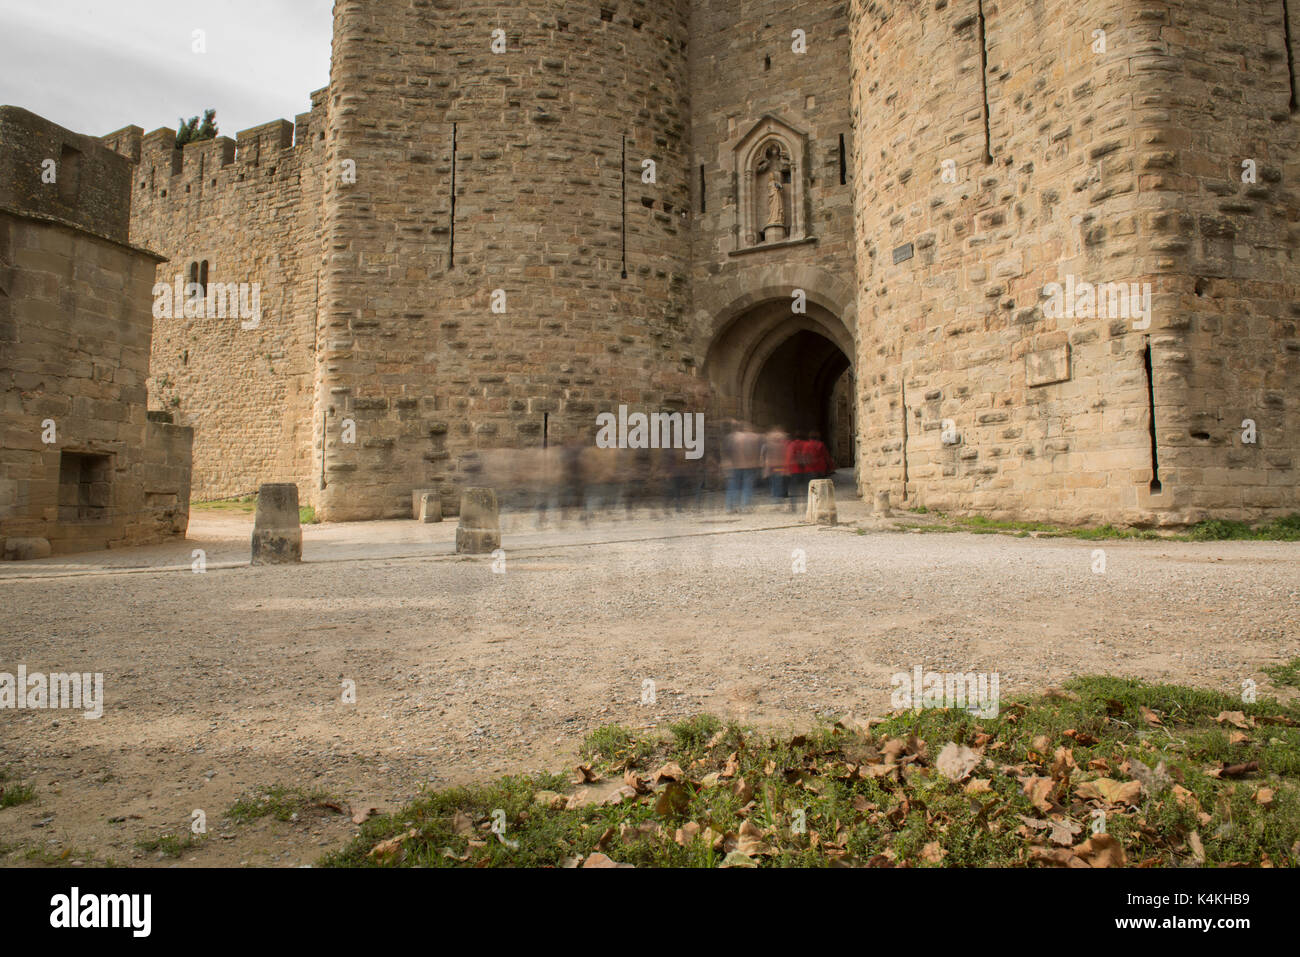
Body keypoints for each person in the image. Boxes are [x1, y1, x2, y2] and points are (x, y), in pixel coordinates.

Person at [761, 425, 789, 503]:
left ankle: (775, 494)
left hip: (772, 465)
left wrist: (763, 463)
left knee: (774, 480)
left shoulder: (767, 445)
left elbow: (763, 454)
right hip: (781, 464)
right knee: (781, 479)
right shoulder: (783, 444)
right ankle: (782, 493)